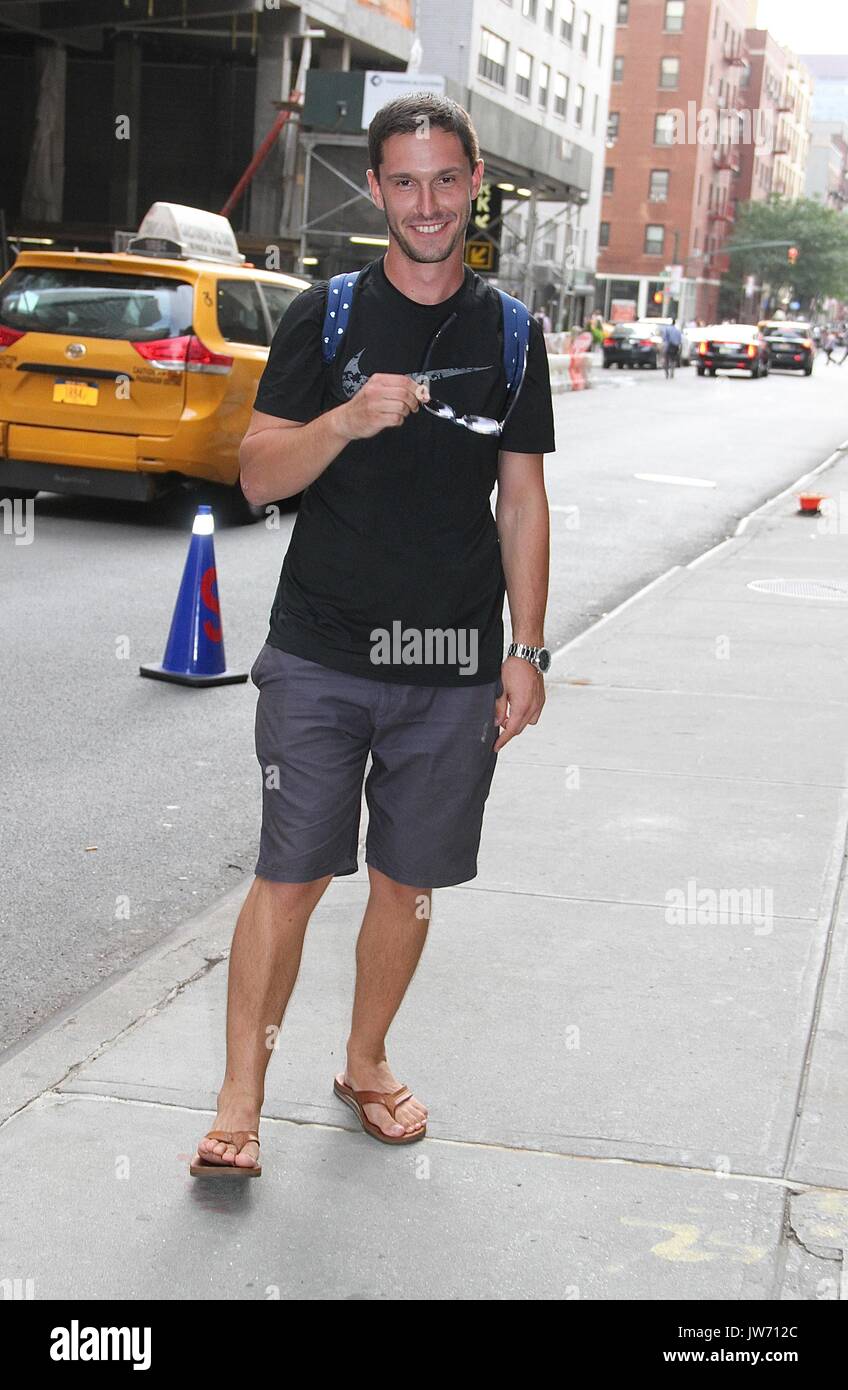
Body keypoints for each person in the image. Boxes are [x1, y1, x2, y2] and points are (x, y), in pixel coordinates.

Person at [189, 93, 555, 1174]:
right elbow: (257, 474)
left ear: (474, 181)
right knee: (289, 875)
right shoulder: (327, 314)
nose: (427, 202)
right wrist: (343, 419)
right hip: (320, 648)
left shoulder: (509, 333)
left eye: (445, 179)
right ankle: (237, 1100)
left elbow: (521, 499)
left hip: (449, 661)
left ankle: (365, 1061)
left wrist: (525, 651)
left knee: (407, 879)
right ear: (377, 188)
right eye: (404, 180)